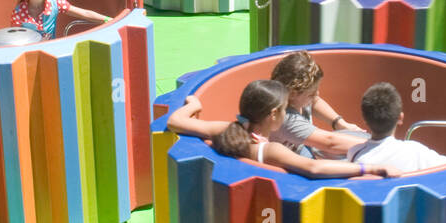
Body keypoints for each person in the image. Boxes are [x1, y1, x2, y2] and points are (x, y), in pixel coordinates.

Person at [165, 80, 395, 179]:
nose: (288, 115)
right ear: (274, 114)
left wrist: (194, 105)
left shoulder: (226, 129)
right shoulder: (269, 150)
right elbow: (313, 168)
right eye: (286, 110)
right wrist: (371, 168)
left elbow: (175, 121)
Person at [269, 50, 364, 158]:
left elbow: (315, 102)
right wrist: (372, 144)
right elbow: (330, 142)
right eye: (312, 93)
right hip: (291, 160)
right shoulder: (287, 118)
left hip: (304, 145)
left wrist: (339, 123)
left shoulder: (296, 99)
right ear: (293, 94)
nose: (316, 94)